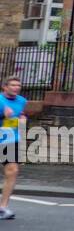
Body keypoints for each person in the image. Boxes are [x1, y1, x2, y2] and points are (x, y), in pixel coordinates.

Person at [1, 76, 27, 221]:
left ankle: (2, 207)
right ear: (5, 87)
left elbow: (20, 114)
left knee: (13, 171)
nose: (16, 87)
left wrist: (23, 118)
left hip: (10, 139)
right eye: (13, 85)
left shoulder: (22, 101)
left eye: (18, 85)